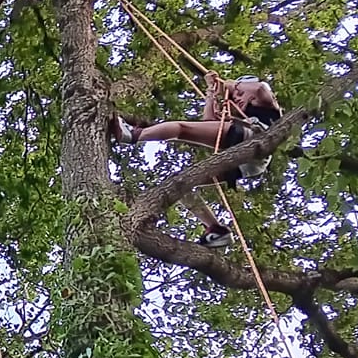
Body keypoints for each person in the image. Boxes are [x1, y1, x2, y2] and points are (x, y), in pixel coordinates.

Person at [112, 75, 282, 246]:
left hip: (255, 137)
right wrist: (212, 91)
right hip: (250, 162)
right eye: (234, 97)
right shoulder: (239, 114)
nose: (236, 98)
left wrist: (230, 85)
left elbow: (259, 89)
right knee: (180, 184)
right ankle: (216, 229)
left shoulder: (266, 100)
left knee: (180, 129)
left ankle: (134, 135)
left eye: (239, 94)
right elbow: (208, 122)